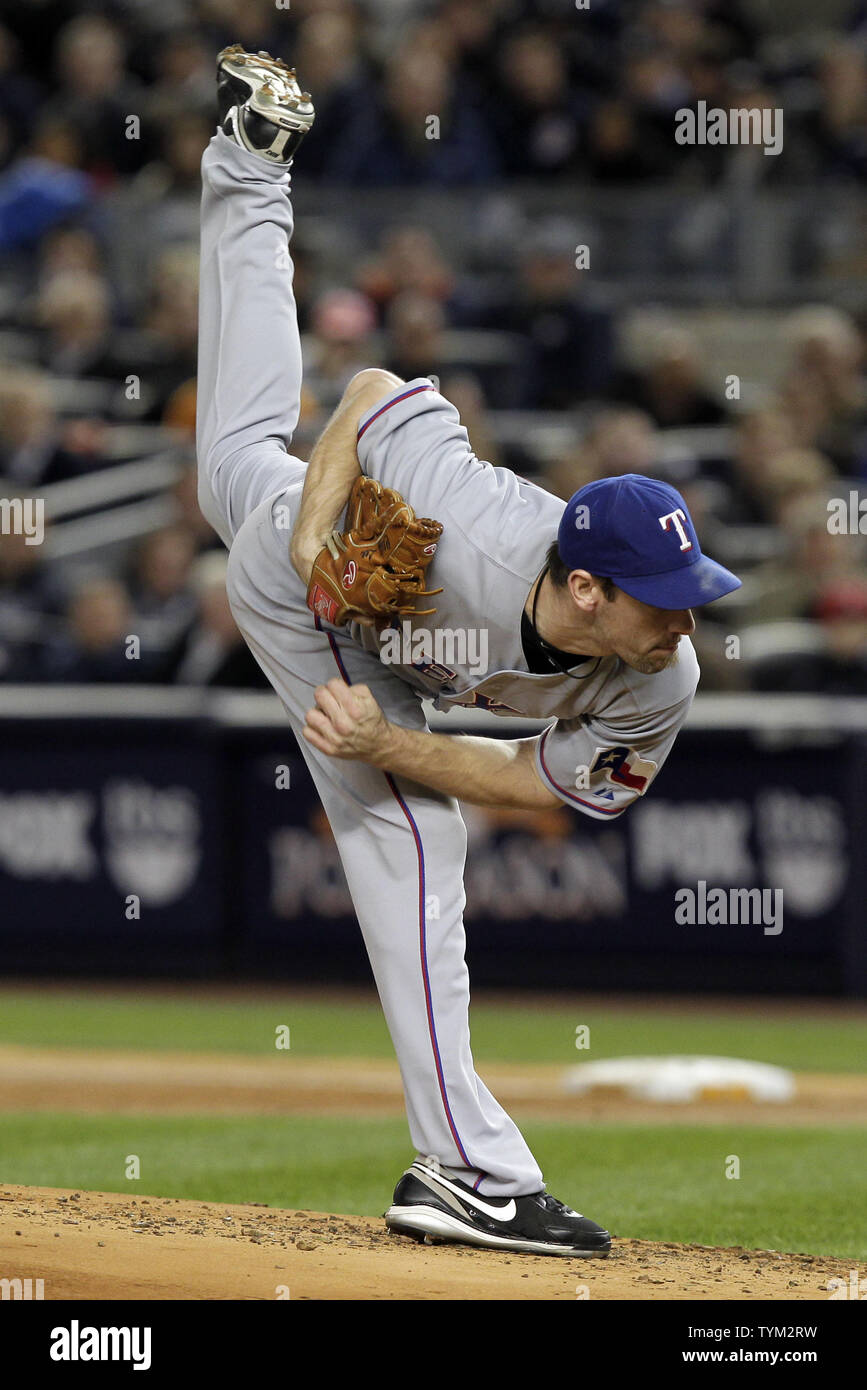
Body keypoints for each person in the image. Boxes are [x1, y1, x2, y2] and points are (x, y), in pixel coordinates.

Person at [196, 47, 741, 1259]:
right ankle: (469, 1171)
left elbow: (532, 783)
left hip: (370, 629)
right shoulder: (481, 524)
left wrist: (393, 738)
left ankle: (245, 160)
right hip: (314, 584)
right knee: (411, 837)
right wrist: (312, 530)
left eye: (692, 596)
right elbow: (370, 389)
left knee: (228, 457)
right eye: (664, 601)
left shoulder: (663, 674)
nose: (686, 622)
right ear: (587, 587)